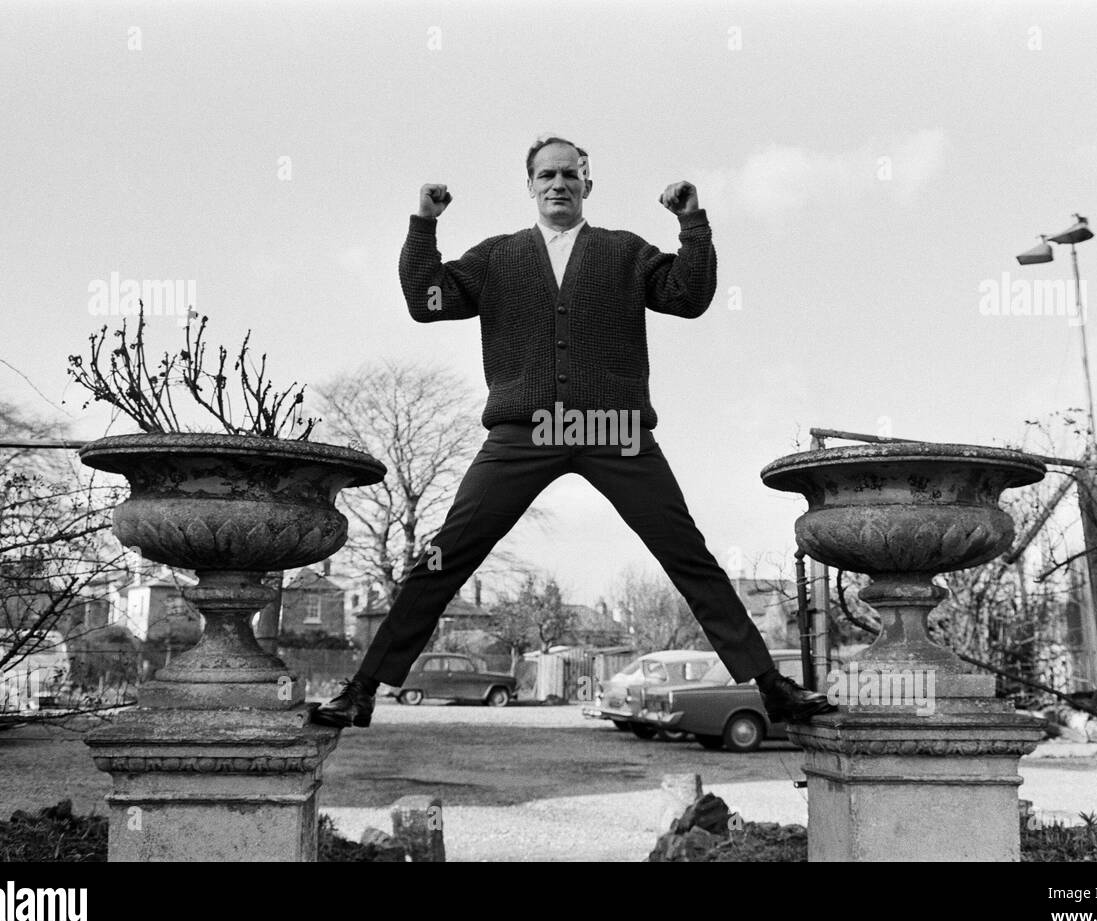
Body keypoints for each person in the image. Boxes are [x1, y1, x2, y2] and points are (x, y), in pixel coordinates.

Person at [313, 136, 835, 729]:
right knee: (442, 557)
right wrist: (424, 224)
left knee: (688, 556)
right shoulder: (496, 257)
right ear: (530, 186)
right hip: (522, 429)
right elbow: (425, 300)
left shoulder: (624, 252)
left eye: (569, 174)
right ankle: (361, 689)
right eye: (546, 175)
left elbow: (689, 296)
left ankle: (770, 686)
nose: (558, 183)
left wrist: (692, 223)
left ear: (588, 184)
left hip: (614, 429)